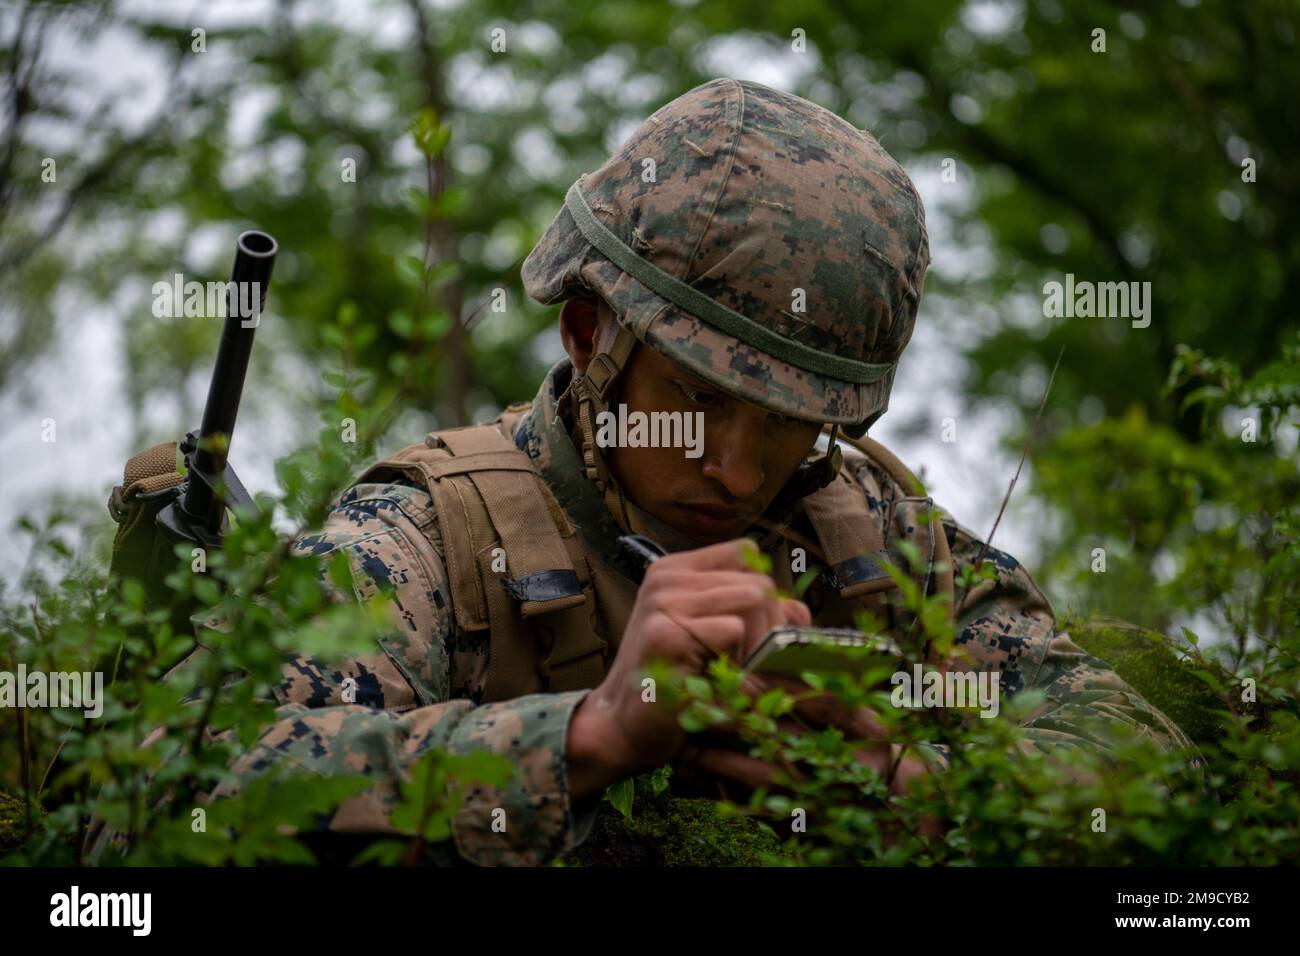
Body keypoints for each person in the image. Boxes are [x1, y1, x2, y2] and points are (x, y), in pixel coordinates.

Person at [210, 78, 1193, 866]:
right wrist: (583, 739)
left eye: (788, 424)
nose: (734, 468)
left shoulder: (874, 534)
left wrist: (929, 793)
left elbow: (1148, 766)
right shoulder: (425, 541)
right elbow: (190, 795)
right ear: (593, 334)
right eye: (698, 398)